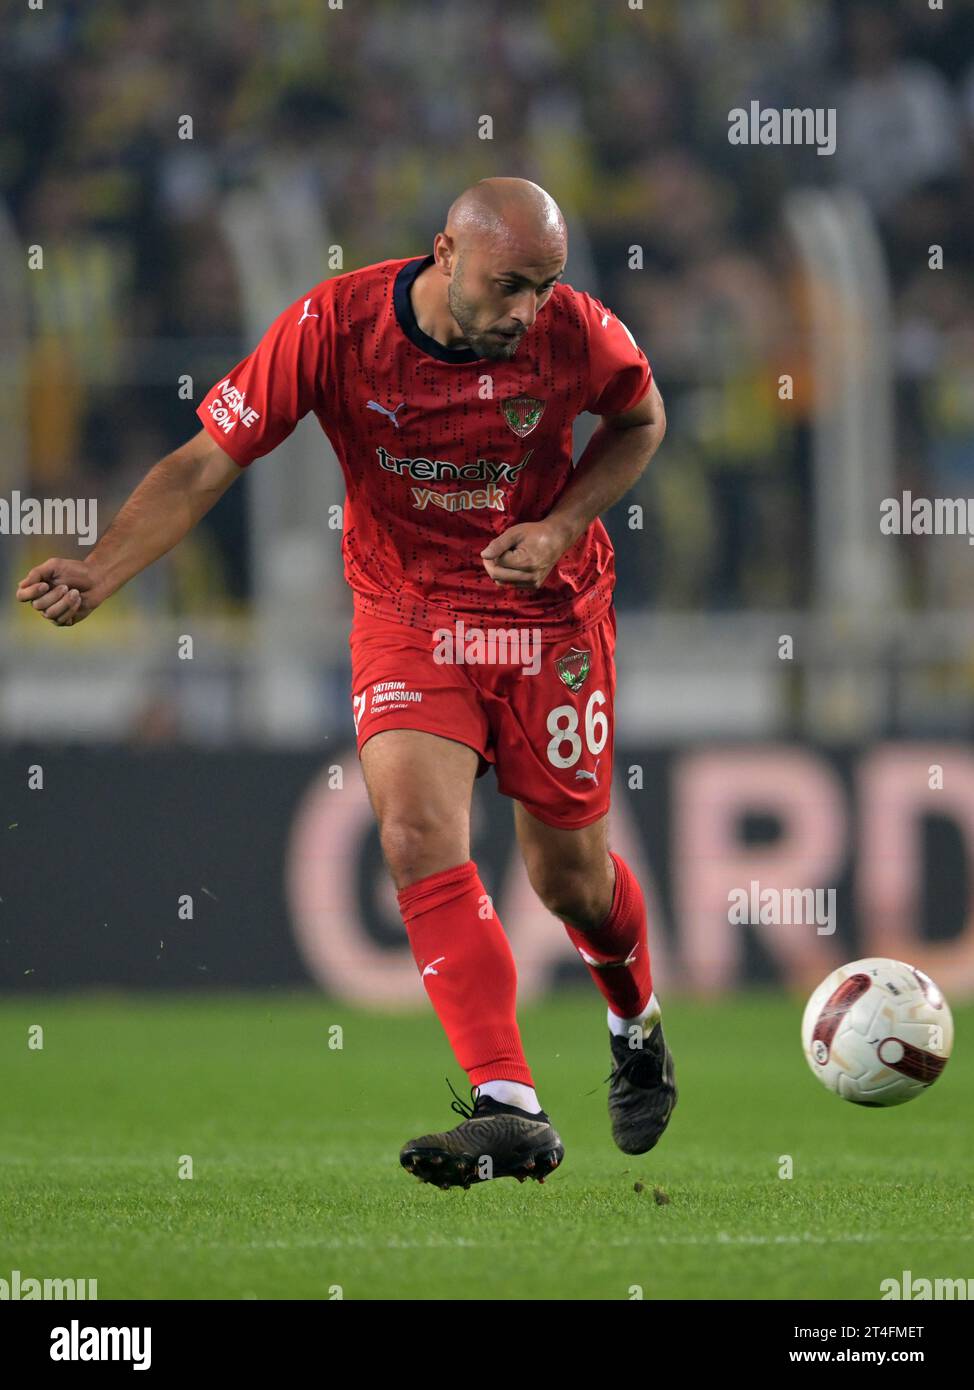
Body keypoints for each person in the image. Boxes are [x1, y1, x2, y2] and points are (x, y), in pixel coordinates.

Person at [16, 177, 673, 1190]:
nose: (523, 312)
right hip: (410, 616)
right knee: (412, 831)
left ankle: (633, 1022)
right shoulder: (333, 324)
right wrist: (100, 568)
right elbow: (203, 464)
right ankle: (510, 1104)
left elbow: (638, 421)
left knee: (568, 883)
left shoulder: (576, 332)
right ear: (443, 252)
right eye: (506, 286)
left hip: (547, 624)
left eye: (542, 289)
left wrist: (561, 525)